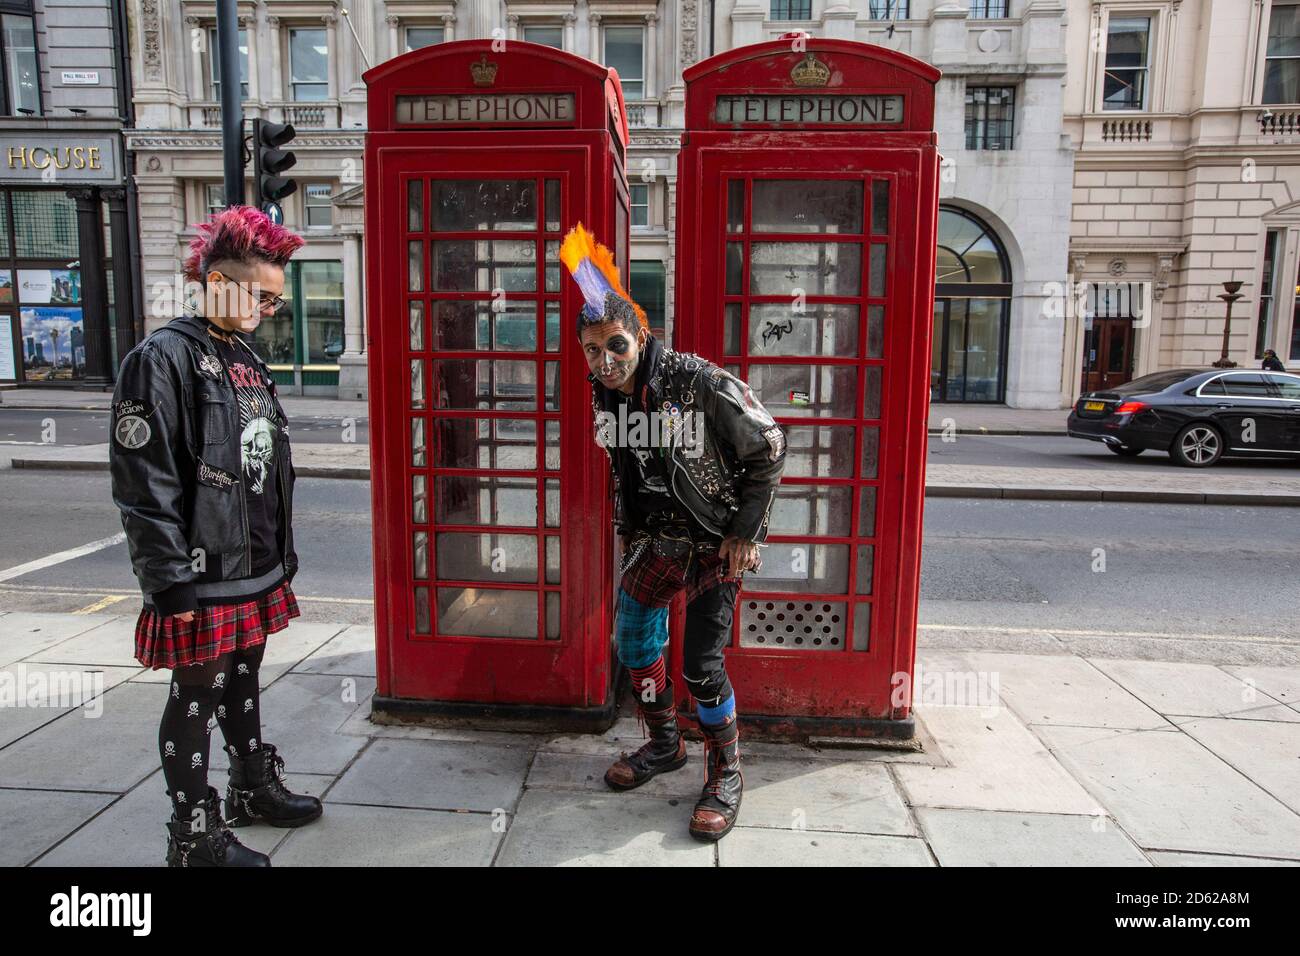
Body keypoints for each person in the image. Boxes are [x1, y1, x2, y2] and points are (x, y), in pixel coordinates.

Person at [560, 223, 787, 841]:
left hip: (715, 541)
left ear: (641, 337)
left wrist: (748, 530)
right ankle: (665, 745)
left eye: (615, 348)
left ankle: (726, 773)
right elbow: (632, 468)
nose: (603, 363)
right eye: (590, 350)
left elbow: (769, 446)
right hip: (655, 542)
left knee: (700, 666)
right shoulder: (605, 393)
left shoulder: (699, 381)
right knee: (633, 646)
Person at [110, 206, 322, 867]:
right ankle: (193, 837)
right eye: (259, 294)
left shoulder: (240, 354)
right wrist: (167, 580)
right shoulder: (161, 358)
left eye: (274, 298)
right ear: (216, 279)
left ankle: (250, 787)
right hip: (200, 571)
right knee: (195, 690)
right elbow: (144, 485)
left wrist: (279, 555)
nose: (269, 308)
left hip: (253, 559)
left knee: (244, 670)